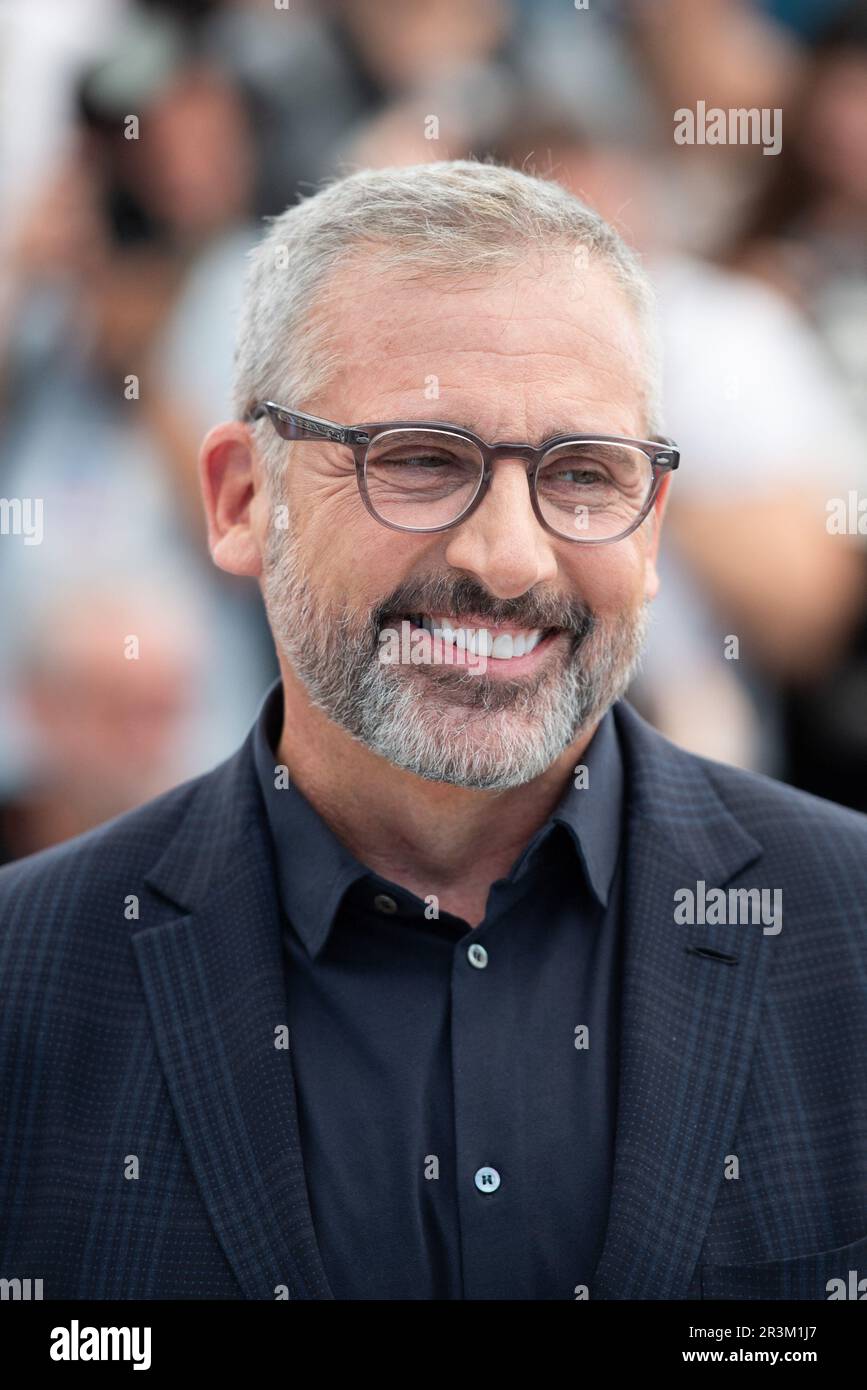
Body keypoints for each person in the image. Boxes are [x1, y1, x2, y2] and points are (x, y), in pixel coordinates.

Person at [1, 161, 865, 1302]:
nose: (507, 558)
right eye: (417, 459)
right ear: (241, 502)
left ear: (653, 531)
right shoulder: (27, 979)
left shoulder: (847, 928)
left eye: (582, 474)